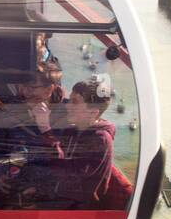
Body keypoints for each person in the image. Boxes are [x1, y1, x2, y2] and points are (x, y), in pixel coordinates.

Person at [48, 77, 134, 210]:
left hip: (81, 210)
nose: (67, 105)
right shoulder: (73, 129)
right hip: (63, 198)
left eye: (74, 102)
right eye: (70, 99)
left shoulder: (100, 140)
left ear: (93, 113)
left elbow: (78, 185)